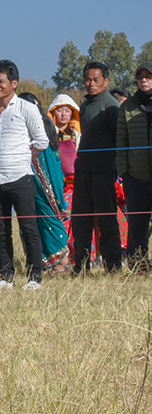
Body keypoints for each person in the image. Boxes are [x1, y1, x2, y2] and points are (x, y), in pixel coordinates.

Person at [0, 60, 48, 289]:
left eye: (1, 82)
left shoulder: (26, 108)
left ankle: (35, 277)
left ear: (14, 83)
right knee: (1, 231)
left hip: (21, 179)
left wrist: (23, 158)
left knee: (29, 229)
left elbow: (42, 141)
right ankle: (6, 276)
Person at [72, 62, 122, 273]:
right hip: (83, 169)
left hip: (103, 171)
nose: (91, 84)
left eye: (96, 80)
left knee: (106, 220)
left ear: (106, 81)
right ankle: (81, 266)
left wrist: (115, 168)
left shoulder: (111, 106)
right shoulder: (85, 105)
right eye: (87, 79)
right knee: (80, 220)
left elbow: (119, 140)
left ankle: (113, 266)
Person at [17, 93, 71, 271]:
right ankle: (43, 262)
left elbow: (50, 152)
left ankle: (61, 262)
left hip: (45, 177)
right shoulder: (20, 124)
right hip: (31, 177)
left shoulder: (44, 123)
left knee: (49, 215)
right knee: (32, 219)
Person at [117, 63, 152, 270]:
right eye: (140, 77)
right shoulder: (128, 107)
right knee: (138, 225)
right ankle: (138, 265)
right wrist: (124, 172)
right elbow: (121, 140)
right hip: (136, 176)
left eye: (148, 77)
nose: (144, 81)